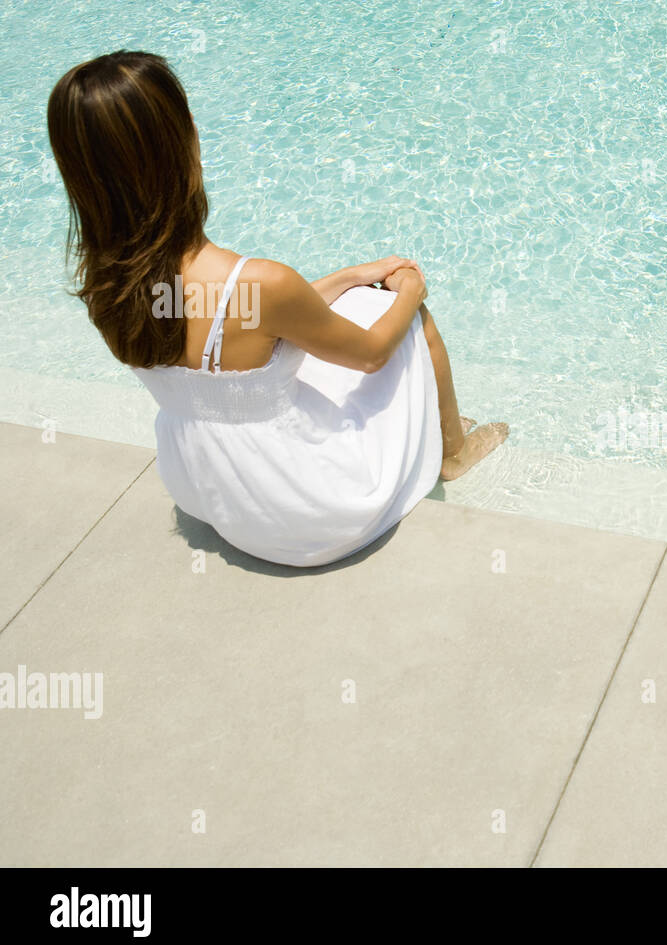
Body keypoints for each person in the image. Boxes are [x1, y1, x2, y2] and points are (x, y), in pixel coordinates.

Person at [47, 50, 506, 566]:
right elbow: (373, 353)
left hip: (212, 494)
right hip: (310, 507)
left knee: (351, 304)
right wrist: (410, 293)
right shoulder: (261, 284)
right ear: (181, 145)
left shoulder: (106, 287)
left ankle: (435, 426)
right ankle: (453, 453)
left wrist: (350, 277)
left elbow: (242, 318)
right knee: (409, 324)